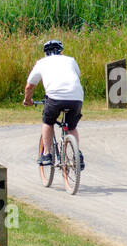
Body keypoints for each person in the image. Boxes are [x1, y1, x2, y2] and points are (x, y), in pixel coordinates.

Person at [23, 39, 85, 169]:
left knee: (48, 121)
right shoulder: (70, 60)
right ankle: (77, 154)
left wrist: (28, 100)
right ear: (61, 51)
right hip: (76, 97)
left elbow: (29, 86)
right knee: (71, 126)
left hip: (55, 97)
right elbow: (77, 76)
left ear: (45, 53)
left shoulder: (41, 63)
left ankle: (46, 154)